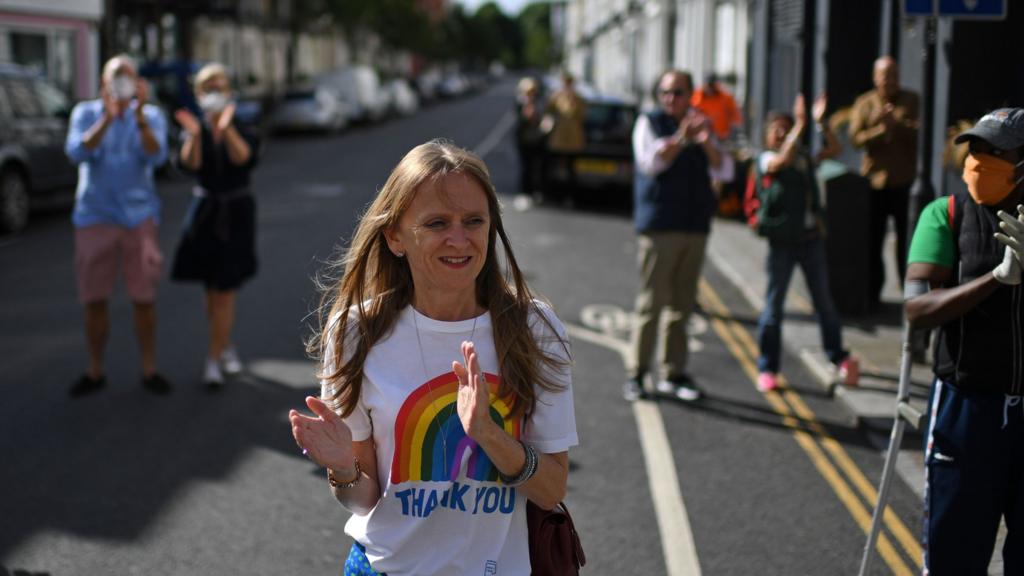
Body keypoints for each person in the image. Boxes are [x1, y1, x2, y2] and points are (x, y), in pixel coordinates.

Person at [288, 140, 578, 575]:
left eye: (474, 221)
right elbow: (362, 498)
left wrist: (489, 434)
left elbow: (551, 489)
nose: (459, 240)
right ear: (395, 237)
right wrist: (343, 467)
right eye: (438, 222)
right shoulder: (356, 332)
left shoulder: (536, 328)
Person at [905, 108, 1024, 575]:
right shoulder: (947, 214)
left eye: (994, 152)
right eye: (974, 150)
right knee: (955, 553)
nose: (978, 160)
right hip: (966, 407)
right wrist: (997, 278)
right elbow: (916, 310)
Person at [64, 54, 170, 397]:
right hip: (95, 217)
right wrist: (108, 120)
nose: (122, 84)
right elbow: (77, 153)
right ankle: (95, 369)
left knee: (144, 298)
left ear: (138, 83)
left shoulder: (150, 116)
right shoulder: (85, 113)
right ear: (103, 83)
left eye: (128, 78)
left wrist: (138, 118)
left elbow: (157, 157)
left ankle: (149, 368)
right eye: (116, 78)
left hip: (138, 219)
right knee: (94, 298)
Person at [746, 93, 859, 392]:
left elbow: (834, 149)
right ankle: (767, 368)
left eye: (786, 127)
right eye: (777, 129)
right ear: (767, 135)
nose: (782, 133)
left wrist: (820, 124)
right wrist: (799, 123)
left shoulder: (805, 157)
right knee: (774, 307)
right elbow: (781, 160)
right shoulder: (765, 159)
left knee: (824, 303)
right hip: (782, 242)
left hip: (811, 241)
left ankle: (837, 356)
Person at [623, 69, 721, 402]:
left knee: (682, 306)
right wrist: (681, 137)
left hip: (695, 225)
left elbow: (723, 169)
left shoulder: (702, 124)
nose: (671, 98)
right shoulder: (649, 123)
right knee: (652, 303)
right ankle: (636, 374)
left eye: (678, 92)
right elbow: (650, 163)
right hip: (661, 226)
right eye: (665, 92)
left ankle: (673, 372)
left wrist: (705, 141)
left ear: (690, 95)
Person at [170, 63, 259, 388]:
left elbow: (244, 158)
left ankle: (212, 359)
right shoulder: (194, 128)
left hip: (235, 214)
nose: (214, 94)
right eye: (207, 89)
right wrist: (196, 133)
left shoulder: (243, 123)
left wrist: (227, 128)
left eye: (219, 88)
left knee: (224, 292)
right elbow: (189, 164)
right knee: (211, 293)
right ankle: (226, 346)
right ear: (198, 95)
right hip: (205, 213)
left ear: (229, 93)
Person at [849, 56, 920, 307]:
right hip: (874, 183)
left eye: (893, 75)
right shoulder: (865, 103)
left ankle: (908, 294)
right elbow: (855, 139)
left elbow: (920, 133)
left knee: (907, 242)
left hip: (903, 182)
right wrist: (881, 128)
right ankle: (872, 295)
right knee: (872, 241)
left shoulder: (911, 100)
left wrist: (896, 125)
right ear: (875, 77)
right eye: (884, 75)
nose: (889, 80)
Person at [542, 71, 586, 199]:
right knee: (556, 168)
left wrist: (573, 101)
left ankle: (570, 196)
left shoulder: (578, 98)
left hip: (573, 138)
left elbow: (581, 116)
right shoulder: (557, 96)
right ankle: (555, 194)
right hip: (559, 138)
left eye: (569, 82)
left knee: (571, 170)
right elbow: (548, 110)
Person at [514, 77, 545, 195]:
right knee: (525, 167)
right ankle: (525, 192)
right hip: (524, 139)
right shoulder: (521, 103)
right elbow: (520, 120)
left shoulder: (539, 103)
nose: (531, 94)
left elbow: (543, 117)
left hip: (538, 139)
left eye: (533, 91)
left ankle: (537, 190)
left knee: (537, 167)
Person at [691, 72, 742, 142]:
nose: (710, 88)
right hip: (700, 138)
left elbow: (735, 116)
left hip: (722, 138)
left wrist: (733, 130)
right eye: (708, 84)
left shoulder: (726, 98)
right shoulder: (696, 97)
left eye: (712, 85)